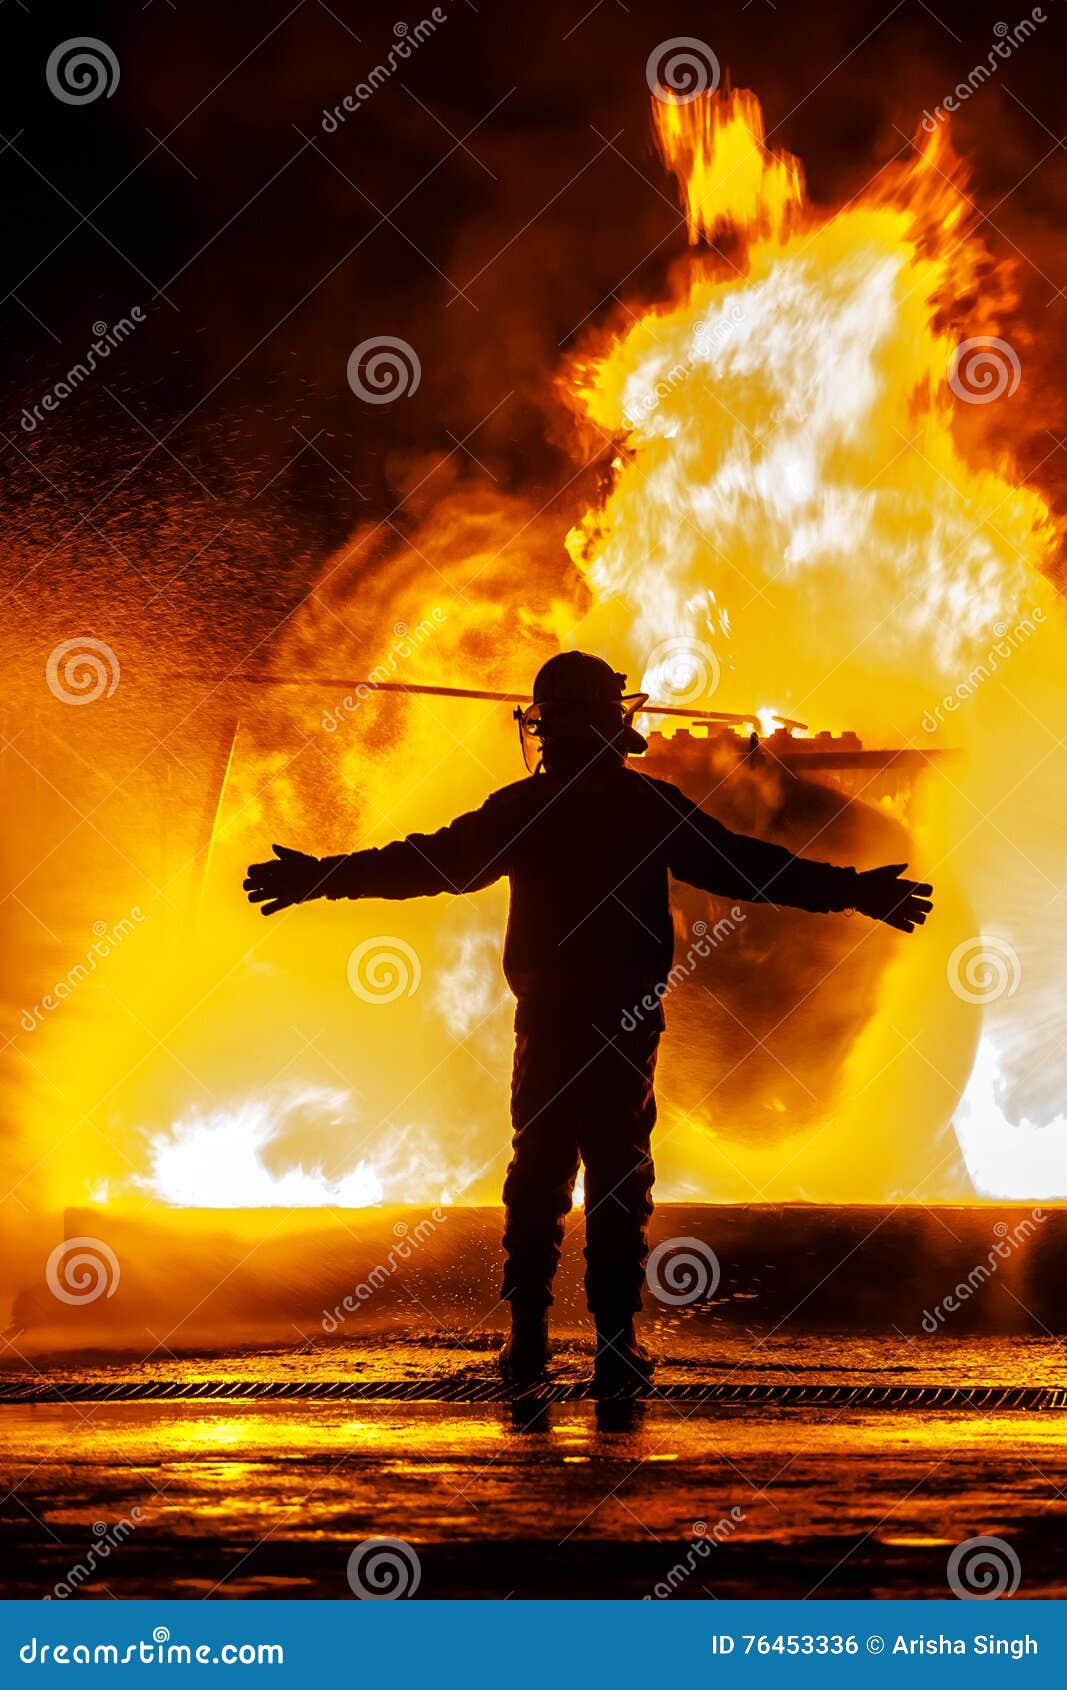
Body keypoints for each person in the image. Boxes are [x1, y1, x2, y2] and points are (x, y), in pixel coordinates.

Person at [244, 652, 933, 1393]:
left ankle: (529, 1344)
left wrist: (322, 877)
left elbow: (427, 864)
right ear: (613, 723)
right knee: (617, 1177)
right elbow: (745, 866)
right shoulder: (646, 807)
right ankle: (613, 1346)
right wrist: (852, 891)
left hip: (546, 1021)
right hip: (623, 1023)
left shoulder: (523, 809)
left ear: (542, 727)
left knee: (537, 1174)